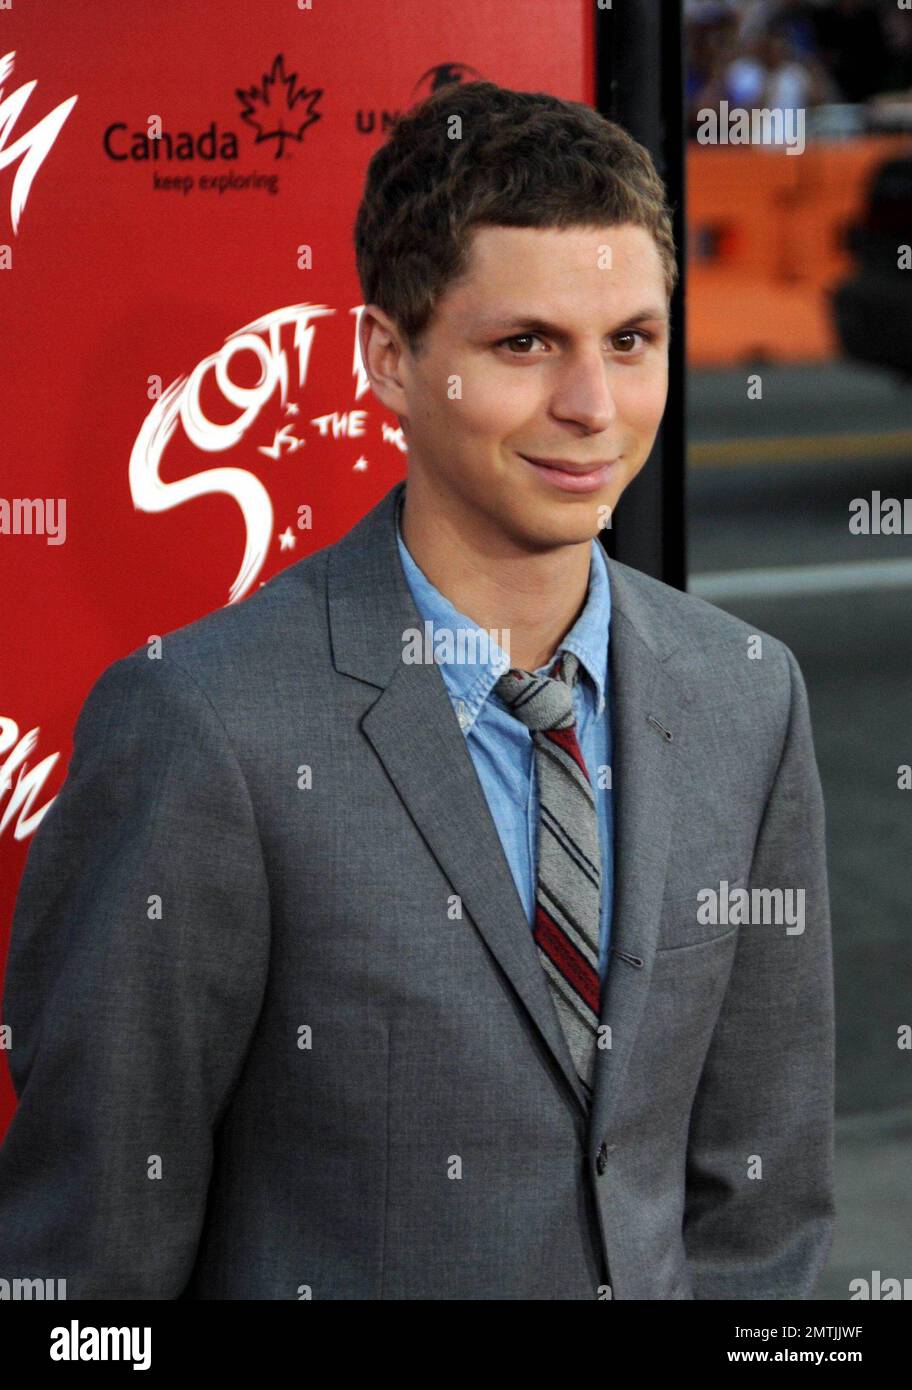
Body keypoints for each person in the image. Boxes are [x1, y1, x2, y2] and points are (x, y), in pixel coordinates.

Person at [0, 79, 835, 1300]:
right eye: (525, 344)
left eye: (631, 341)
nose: (592, 408)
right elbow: (89, 1269)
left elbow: (761, 1217)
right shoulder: (203, 724)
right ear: (389, 361)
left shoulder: (748, 699)